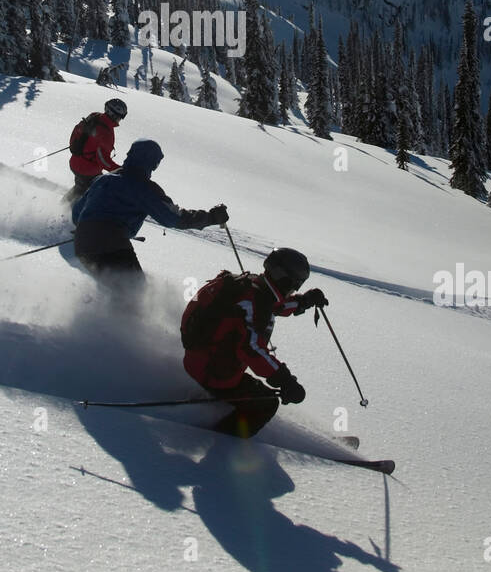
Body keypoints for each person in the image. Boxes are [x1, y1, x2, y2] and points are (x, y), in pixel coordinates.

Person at [181, 248, 328, 438]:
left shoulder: (250, 285)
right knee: (266, 404)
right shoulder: (254, 303)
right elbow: (253, 350)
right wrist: (285, 380)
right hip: (214, 373)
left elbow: (275, 306)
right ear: (286, 280)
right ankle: (224, 442)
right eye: (296, 285)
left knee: (256, 390)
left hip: (199, 358)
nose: (294, 289)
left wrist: (304, 302)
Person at [72, 139, 228, 278]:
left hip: (82, 243)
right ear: (151, 162)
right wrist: (211, 217)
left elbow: (76, 213)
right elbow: (173, 218)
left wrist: (91, 228)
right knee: (135, 294)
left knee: (114, 293)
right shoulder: (143, 187)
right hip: (112, 244)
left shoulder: (103, 179)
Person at [66, 99, 127, 201]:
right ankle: (70, 212)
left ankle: (63, 206)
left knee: (80, 187)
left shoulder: (95, 116)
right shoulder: (106, 132)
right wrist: (120, 170)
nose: (119, 120)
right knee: (97, 192)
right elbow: (103, 160)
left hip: (75, 161)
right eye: (119, 117)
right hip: (87, 169)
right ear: (113, 115)